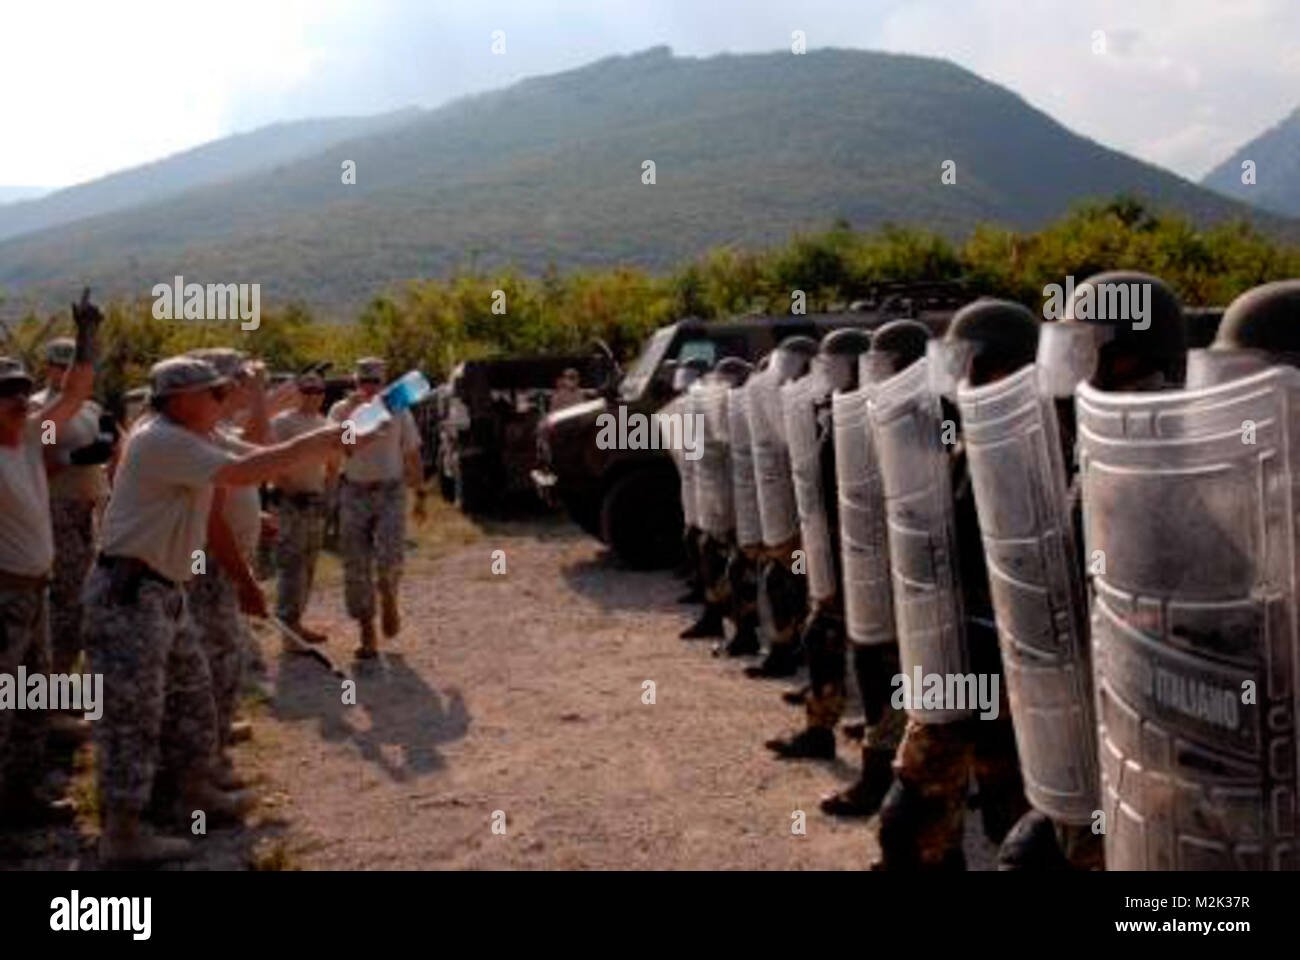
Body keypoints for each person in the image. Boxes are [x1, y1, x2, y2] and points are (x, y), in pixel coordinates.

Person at [83, 355, 365, 865]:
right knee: (132, 717)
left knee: (193, 699)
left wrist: (325, 439)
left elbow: (257, 453)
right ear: (180, 400)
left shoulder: (192, 436)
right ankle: (122, 834)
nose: (222, 400)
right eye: (214, 394)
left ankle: (192, 795)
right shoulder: (161, 439)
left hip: (162, 592)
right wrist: (326, 441)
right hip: (131, 595)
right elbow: (244, 471)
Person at [871, 299, 1037, 870]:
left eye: (979, 367)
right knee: (909, 822)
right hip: (962, 661)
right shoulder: (965, 448)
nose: (965, 381)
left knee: (1016, 832)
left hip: (1028, 690)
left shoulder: (1055, 455)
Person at [0, 298, 98, 826]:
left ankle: (22, 796)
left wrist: (88, 333)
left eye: (21, 389)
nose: (19, 399)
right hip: (6, 598)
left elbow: (76, 391)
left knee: (34, 698)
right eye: (6, 393)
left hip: (34, 593)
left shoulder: (30, 438)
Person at [328, 357, 425, 659]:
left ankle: (389, 596)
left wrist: (420, 494)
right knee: (355, 565)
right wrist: (353, 415)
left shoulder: (399, 410)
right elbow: (338, 448)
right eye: (363, 382)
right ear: (354, 383)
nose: (369, 388)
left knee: (390, 557)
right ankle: (367, 631)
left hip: (390, 491)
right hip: (354, 491)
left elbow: (411, 453)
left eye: (375, 382)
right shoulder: (340, 410)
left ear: (385, 385)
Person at [270, 369, 337, 643]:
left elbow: (333, 463)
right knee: (291, 565)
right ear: (297, 393)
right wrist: (287, 489)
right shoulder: (282, 422)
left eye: (318, 391)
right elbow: (271, 460)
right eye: (307, 390)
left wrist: (329, 494)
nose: (313, 396)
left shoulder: (324, 422)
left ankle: (296, 623)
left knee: (309, 564)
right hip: (290, 501)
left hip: (315, 499)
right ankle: (288, 628)